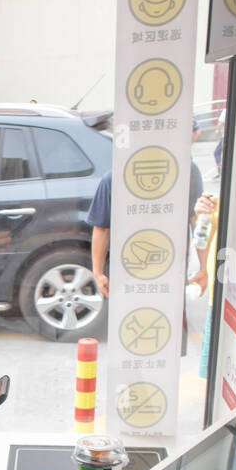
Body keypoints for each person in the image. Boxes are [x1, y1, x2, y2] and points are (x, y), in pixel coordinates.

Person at [89, 117, 209, 355]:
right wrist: (97, 270)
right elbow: (101, 227)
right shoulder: (115, 177)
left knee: (150, 342)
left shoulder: (186, 171)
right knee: (149, 342)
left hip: (154, 274)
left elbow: (197, 219)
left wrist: (99, 271)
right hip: (146, 275)